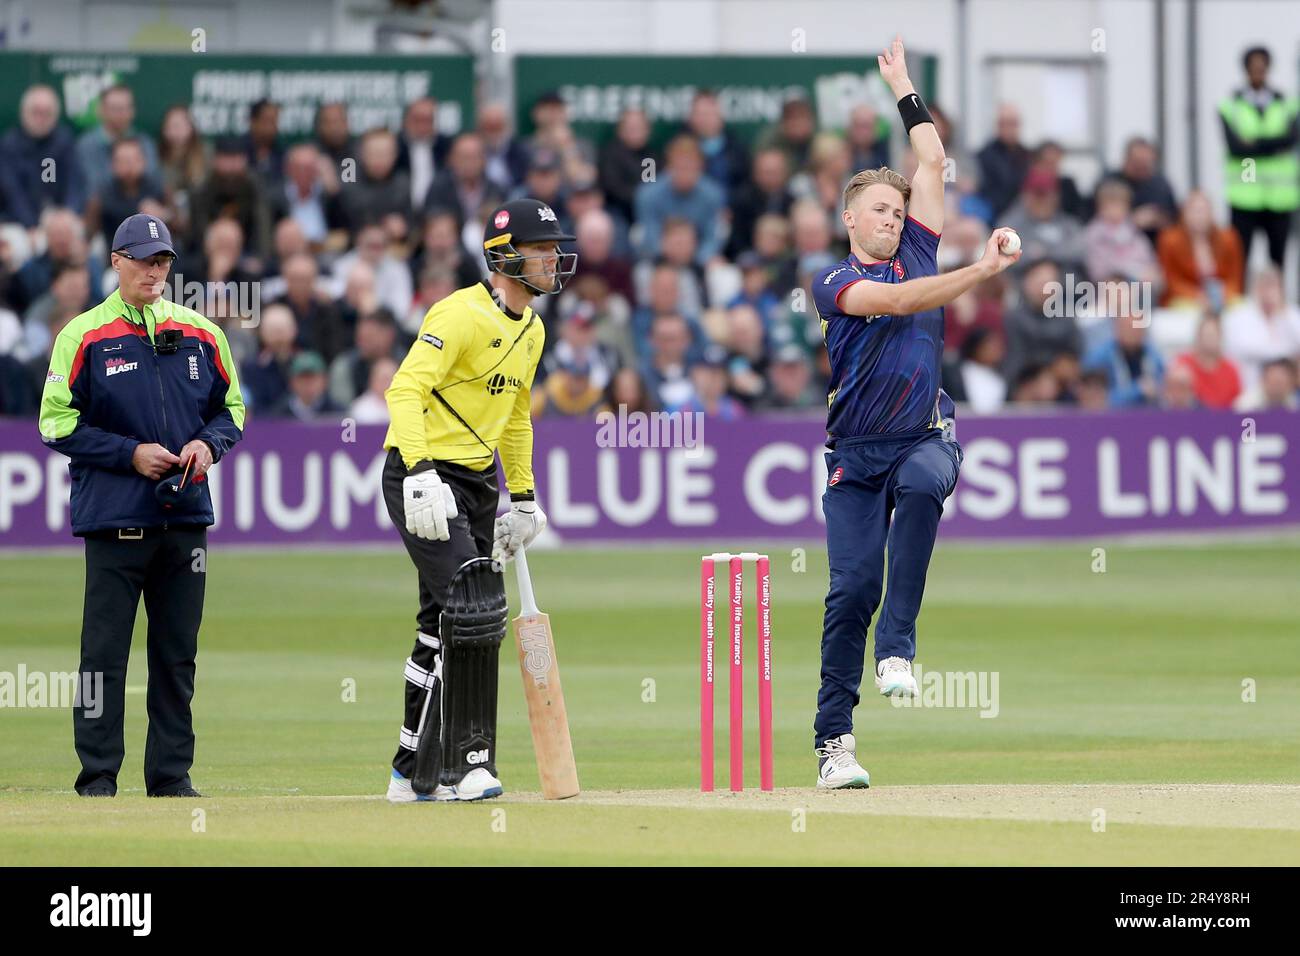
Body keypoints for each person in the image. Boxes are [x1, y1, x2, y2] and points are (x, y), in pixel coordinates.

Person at [810, 37, 1020, 791]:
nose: (895, 218)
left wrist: (904, 89)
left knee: (929, 480)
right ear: (850, 220)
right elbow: (899, 302)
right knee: (849, 592)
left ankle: (897, 646)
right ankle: (835, 740)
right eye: (879, 210)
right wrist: (984, 269)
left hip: (922, 433)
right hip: (854, 455)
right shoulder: (834, 281)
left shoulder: (925, 248)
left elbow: (932, 162)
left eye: (899, 211)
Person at [37, 213, 245, 797]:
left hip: (184, 519)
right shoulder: (82, 335)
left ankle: (170, 776)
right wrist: (130, 454)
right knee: (103, 658)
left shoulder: (202, 332)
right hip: (114, 520)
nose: (155, 271)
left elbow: (232, 410)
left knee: (177, 656)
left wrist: (209, 445)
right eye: (144, 259)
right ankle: (98, 777)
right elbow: (54, 423)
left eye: (163, 261)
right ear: (116, 261)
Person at [381, 197, 574, 803]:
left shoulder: (534, 329)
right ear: (504, 256)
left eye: (552, 250)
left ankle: (413, 771)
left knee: (442, 623)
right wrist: (417, 472)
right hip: (421, 472)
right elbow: (404, 389)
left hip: (475, 483)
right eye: (540, 251)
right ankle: (470, 763)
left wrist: (523, 498)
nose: (551, 261)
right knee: (473, 601)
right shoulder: (457, 313)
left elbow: (516, 420)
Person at [1219, 46, 1299, 271]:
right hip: (1246, 190)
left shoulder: (1286, 104)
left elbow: (1290, 140)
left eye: (1262, 67)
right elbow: (1236, 148)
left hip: (1279, 197)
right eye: (1254, 68)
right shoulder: (1231, 105)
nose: (1258, 72)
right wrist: (1272, 145)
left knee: (1278, 260)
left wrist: (1252, 142)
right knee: (1240, 259)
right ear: (1245, 70)